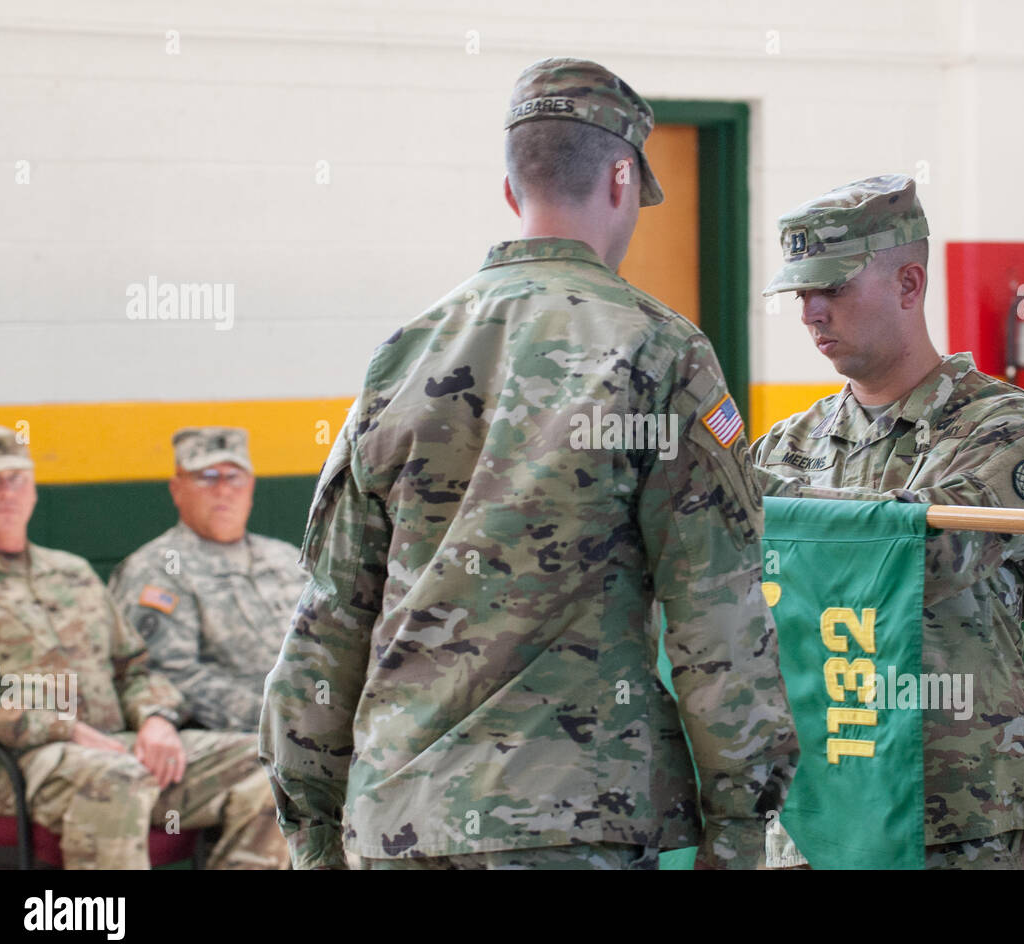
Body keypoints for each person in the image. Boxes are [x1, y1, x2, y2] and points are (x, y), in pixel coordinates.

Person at [259, 57, 799, 871]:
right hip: (577, 824)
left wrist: (312, 831)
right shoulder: (660, 351)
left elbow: (330, 617)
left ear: (513, 191)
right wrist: (738, 829)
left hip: (402, 819)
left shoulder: (403, 355)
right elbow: (716, 620)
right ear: (621, 177)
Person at [752, 175, 1024, 869]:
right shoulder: (786, 445)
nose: (810, 312)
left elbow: (922, 555)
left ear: (908, 283)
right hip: (820, 806)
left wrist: (758, 501)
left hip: (955, 809)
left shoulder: (1003, 428)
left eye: (832, 288)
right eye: (799, 294)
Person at [0, 425, 289, 869]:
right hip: (9, 762)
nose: (6, 492)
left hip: (113, 745)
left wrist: (156, 719)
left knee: (272, 763)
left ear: (33, 492)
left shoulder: (73, 572)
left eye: (17, 478)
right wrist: (62, 728)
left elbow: (135, 668)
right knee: (116, 777)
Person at [109, 427, 305, 731]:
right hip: (227, 738)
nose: (224, 490)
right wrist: (284, 718)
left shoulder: (287, 559)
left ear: (251, 486)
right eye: (208, 477)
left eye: (234, 477)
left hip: (311, 727)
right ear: (177, 489)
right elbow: (169, 677)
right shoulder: (159, 568)